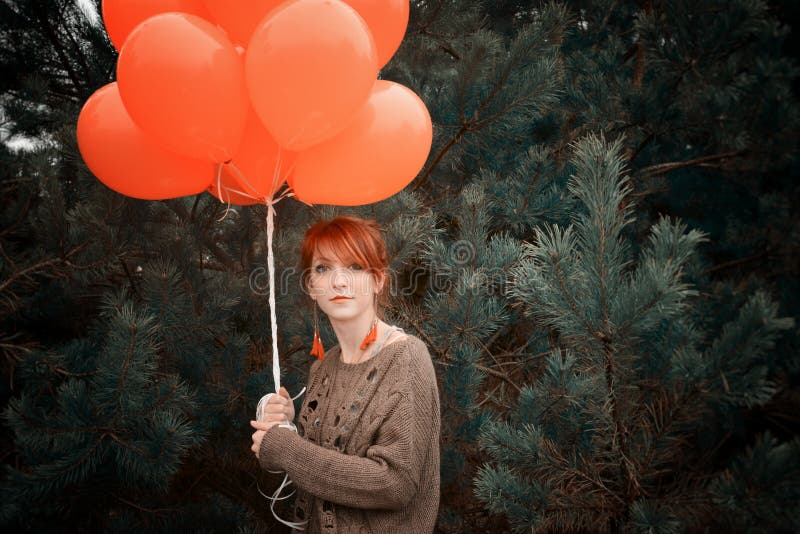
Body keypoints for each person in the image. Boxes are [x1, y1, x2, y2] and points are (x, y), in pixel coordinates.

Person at [250, 215, 441, 533]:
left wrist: (286, 447)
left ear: (378, 280)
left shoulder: (406, 357)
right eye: (323, 268)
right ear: (312, 286)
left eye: (354, 266)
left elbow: (395, 484)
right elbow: (316, 472)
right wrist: (285, 426)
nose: (339, 282)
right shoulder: (323, 370)